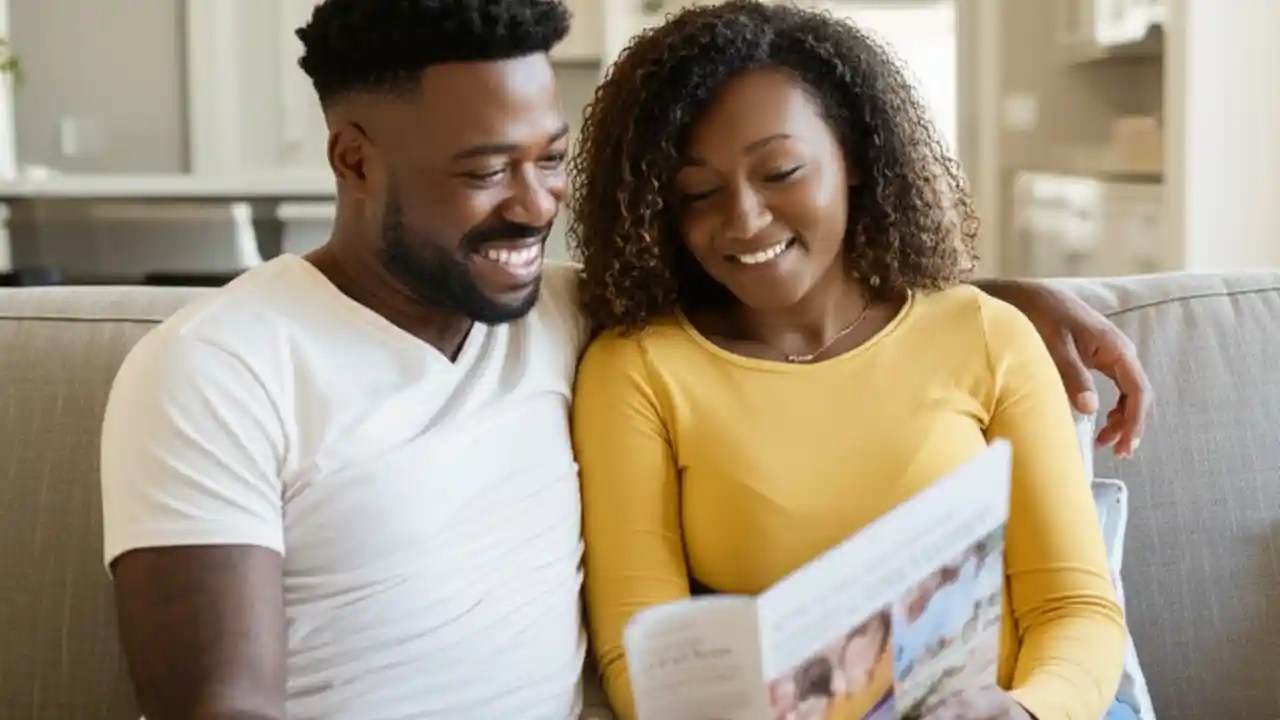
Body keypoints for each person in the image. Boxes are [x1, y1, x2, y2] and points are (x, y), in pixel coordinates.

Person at [98, 2, 1145, 719]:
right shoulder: (219, 367)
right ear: (354, 159)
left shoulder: (553, 310)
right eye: (482, 171)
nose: (534, 206)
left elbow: (826, 307)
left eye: (549, 160)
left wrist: (1006, 298)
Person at [569, 3, 1128, 720]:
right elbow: (635, 651)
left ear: (854, 159)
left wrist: (1025, 714)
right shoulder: (640, 370)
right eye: (699, 193)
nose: (742, 219)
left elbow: (1075, 605)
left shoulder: (986, 335)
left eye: (781, 171)